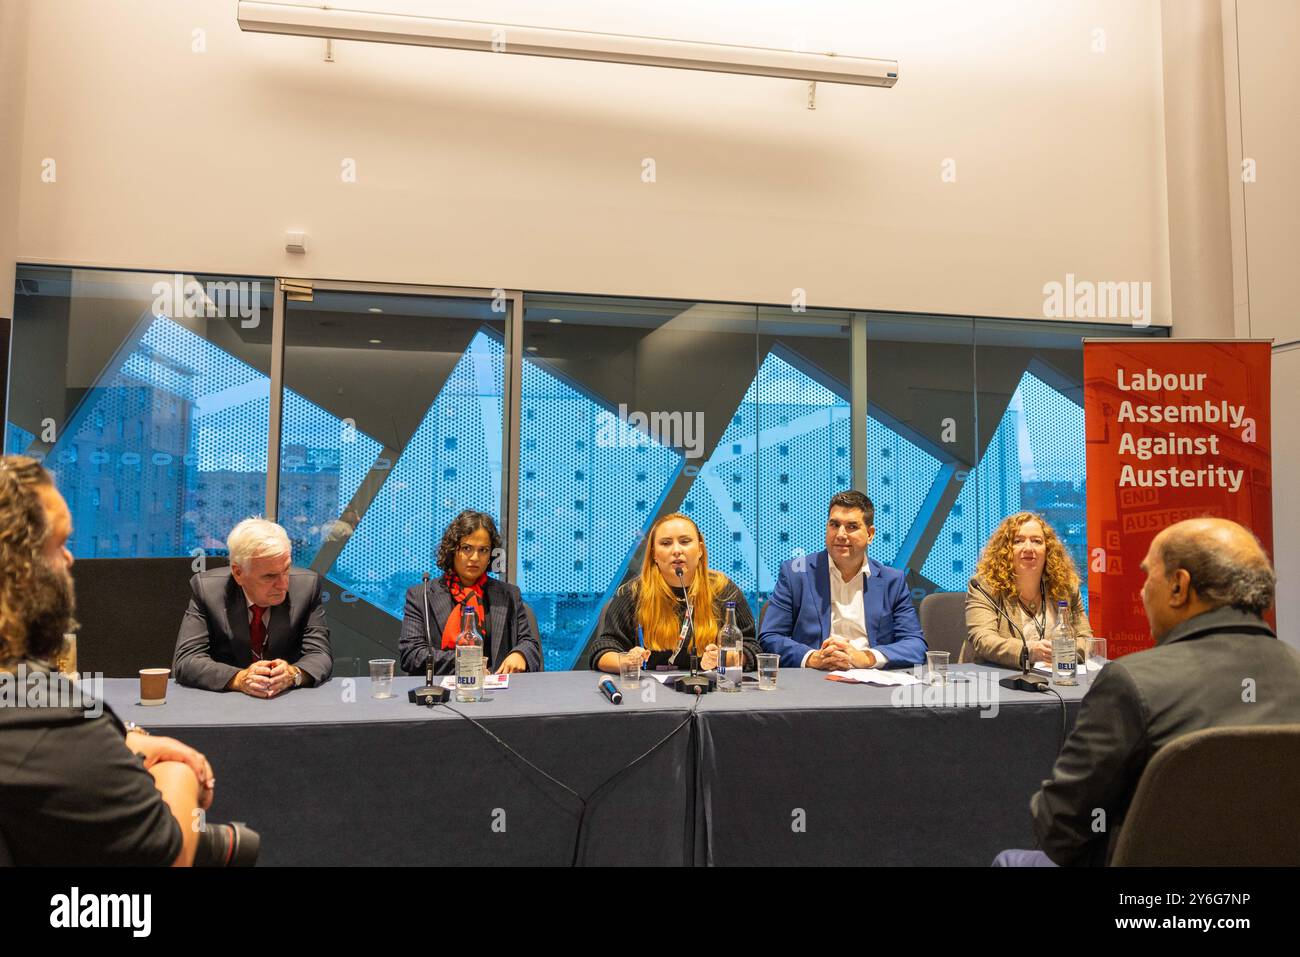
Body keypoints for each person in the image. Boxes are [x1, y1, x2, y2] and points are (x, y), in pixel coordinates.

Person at [996, 517, 1300, 866]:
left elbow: (1058, 828)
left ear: (1178, 587)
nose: (1141, 591)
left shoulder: (1131, 683)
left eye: (1148, 575)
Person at [0, 455, 214, 866]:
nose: (69, 561)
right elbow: (167, 856)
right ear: (16, 568)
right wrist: (180, 772)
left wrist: (122, 737)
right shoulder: (31, 701)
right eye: (59, 544)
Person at [759, 490, 927, 670]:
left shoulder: (892, 580)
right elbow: (770, 637)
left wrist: (867, 657)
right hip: (814, 679)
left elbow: (915, 644)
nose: (840, 534)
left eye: (852, 526)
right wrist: (812, 658)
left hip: (870, 679)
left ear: (870, 534)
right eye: (834, 524)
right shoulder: (796, 574)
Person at [173, 518, 333, 696]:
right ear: (238, 573)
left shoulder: (306, 587)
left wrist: (293, 674)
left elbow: (320, 655)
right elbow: (187, 661)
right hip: (225, 705)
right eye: (269, 576)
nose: (283, 585)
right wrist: (240, 679)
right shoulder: (208, 591)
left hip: (287, 702)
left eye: (286, 570)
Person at [589, 512, 759, 673]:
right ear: (654, 554)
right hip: (648, 693)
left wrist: (724, 658)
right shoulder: (633, 593)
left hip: (710, 692)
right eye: (666, 543)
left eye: (685, 541)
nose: (677, 550)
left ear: (700, 549)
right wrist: (625, 661)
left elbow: (752, 649)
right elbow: (603, 650)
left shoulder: (723, 590)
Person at [398, 510, 542, 675]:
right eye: (467, 548)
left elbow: (529, 644)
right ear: (452, 550)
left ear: (490, 555)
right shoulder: (420, 596)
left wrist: (521, 654)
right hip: (444, 693)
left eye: (483, 550)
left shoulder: (508, 595)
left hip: (499, 695)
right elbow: (411, 655)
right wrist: (467, 663)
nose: (475, 557)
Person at [962, 512, 1092, 669]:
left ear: (1048, 549)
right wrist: (1029, 651)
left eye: (1037, 541)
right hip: (993, 679)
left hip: (1054, 678)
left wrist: (1060, 652)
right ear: (1005, 550)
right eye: (1018, 541)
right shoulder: (985, 586)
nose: (1029, 548)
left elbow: (1086, 638)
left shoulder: (1065, 587)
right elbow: (983, 640)